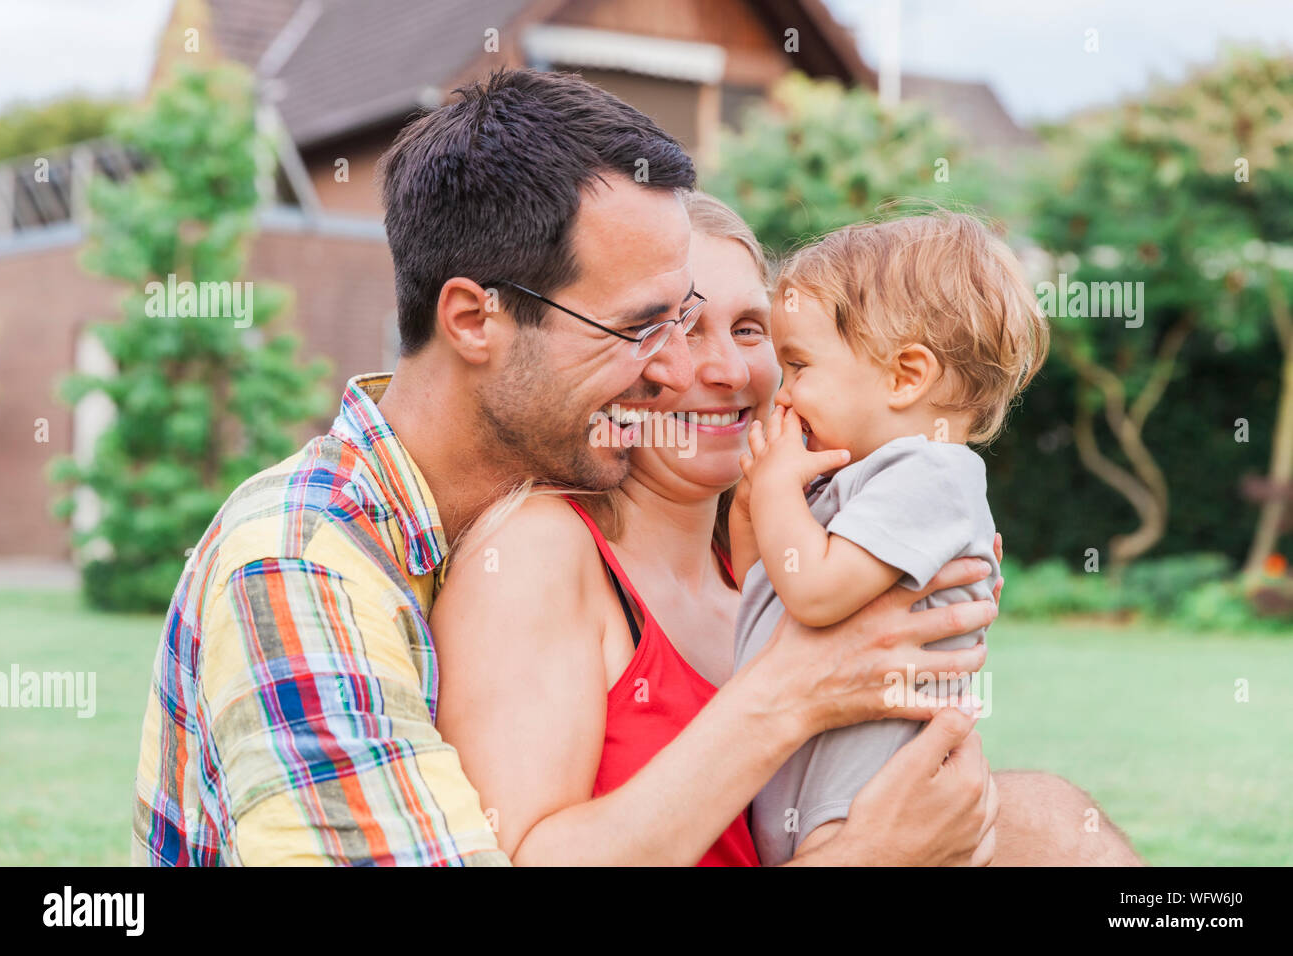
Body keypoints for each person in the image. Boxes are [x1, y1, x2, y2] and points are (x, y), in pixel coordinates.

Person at [131, 69, 995, 866]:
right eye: (641, 326)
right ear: (475, 320)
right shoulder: (300, 564)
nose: (679, 370)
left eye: (737, 327)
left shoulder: (499, 526)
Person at [430, 192, 1022, 866]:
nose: (728, 371)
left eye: (750, 330)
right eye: (676, 328)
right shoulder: (538, 552)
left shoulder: (774, 562)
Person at [730, 212, 1049, 866]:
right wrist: (754, 504)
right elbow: (758, 590)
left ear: (906, 376)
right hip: (813, 799)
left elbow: (814, 593)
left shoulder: (933, 474)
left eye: (799, 366)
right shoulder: (857, 478)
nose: (782, 396)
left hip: (862, 804)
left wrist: (773, 493)